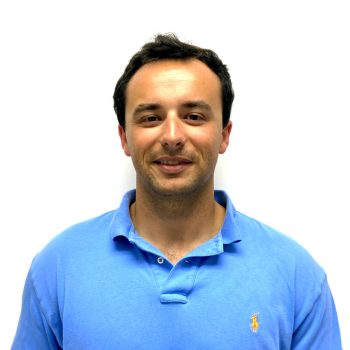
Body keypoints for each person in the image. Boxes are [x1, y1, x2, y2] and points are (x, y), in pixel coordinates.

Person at [12, 34, 342, 349]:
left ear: (224, 135)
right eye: (151, 117)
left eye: (194, 116)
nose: (172, 135)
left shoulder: (297, 276)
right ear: (124, 137)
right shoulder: (58, 268)